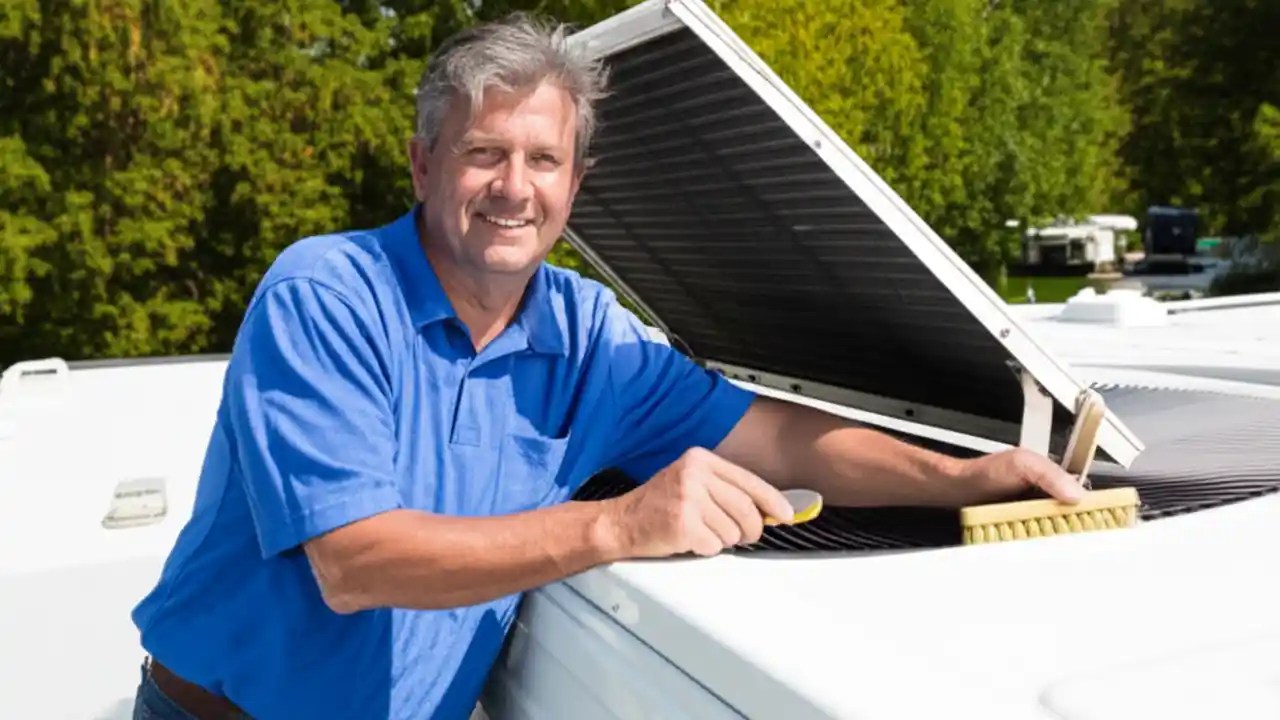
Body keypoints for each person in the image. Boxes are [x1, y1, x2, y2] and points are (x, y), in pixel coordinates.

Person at [128, 12, 1083, 720]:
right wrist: (622, 522)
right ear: (423, 167)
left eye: (544, 160)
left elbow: (780, 435)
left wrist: (962, 475)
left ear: (575, 186)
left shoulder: (592, 335)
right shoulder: (328, 294)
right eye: (483, 152)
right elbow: (355, 562)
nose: (514, 187)